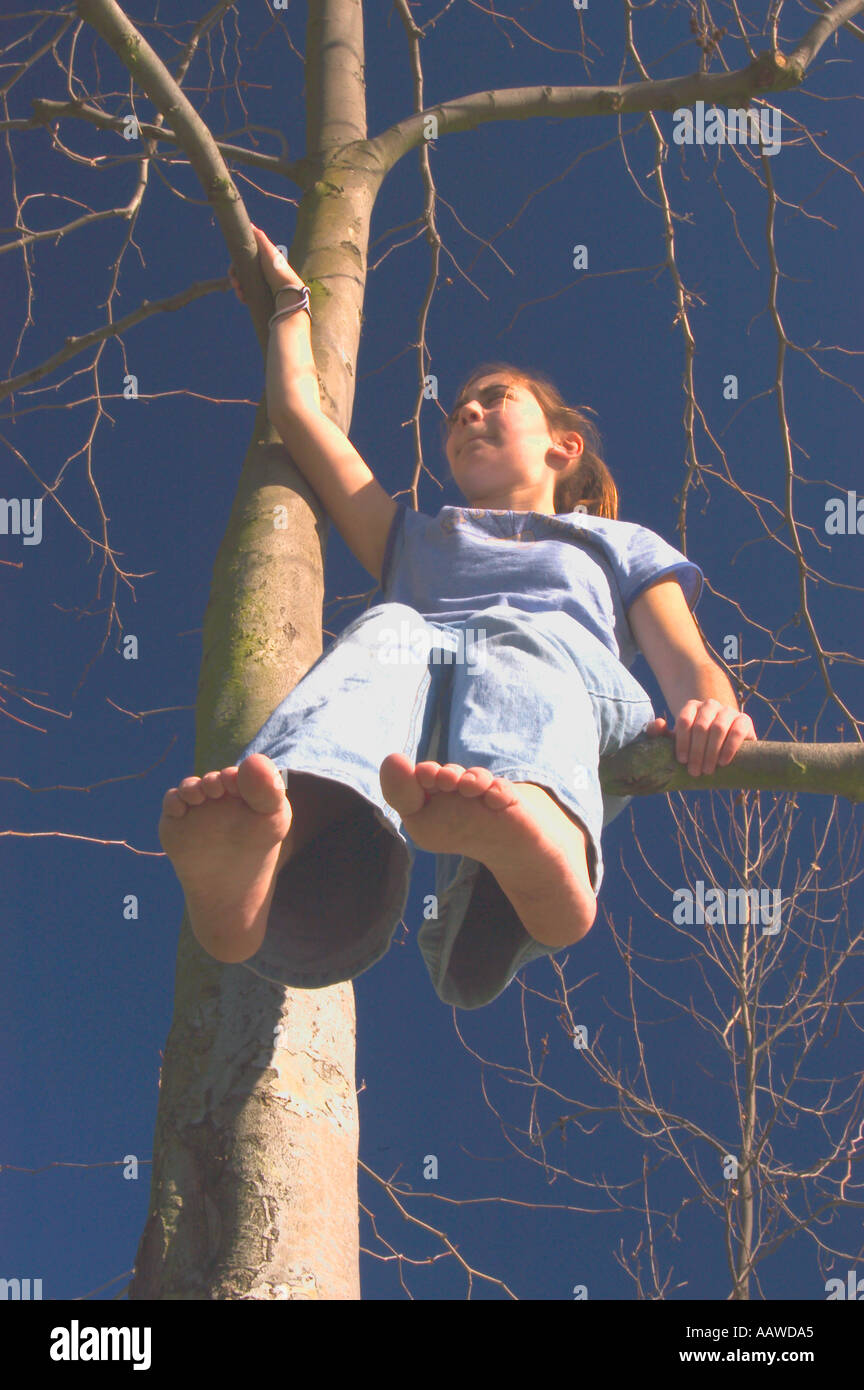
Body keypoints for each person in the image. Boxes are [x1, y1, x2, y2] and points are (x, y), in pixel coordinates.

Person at [158, 226, 757, 1009]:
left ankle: (547, 832)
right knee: (382, 633)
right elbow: (303, 421)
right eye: (455, 411)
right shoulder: (416, 537)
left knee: (514, 636)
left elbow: (683, 652)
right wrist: (289, 308)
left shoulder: (616, 542)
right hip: (431, 726)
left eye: (494, 400)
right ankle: (279, 835)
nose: (466, 412)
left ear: (563, 447)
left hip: (568, 691)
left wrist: (712, 709)